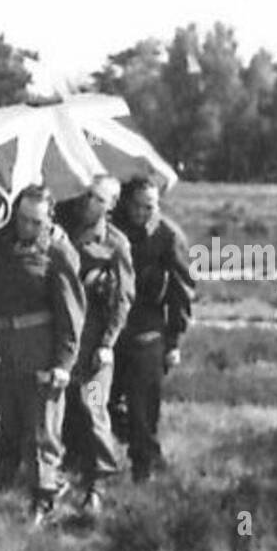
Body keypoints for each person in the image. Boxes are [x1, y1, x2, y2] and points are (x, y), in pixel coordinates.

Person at [0, 184, 85, 525]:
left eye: (35, 222)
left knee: (42, 427)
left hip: (40, 349)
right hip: (6, 349)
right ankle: (7, 479)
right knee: (10, 421)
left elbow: (72, 312)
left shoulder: (58, 251)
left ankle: (43, 497)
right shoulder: (0, 245)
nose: (27, 227)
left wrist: (63, 363)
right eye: (22, 219)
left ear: (48, 219)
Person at [109, 176, 195, 481]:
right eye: (138, 205)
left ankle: (143, 468)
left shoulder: (169, 236)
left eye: (151, 206)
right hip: (111, 329)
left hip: (148, 329)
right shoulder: (111, 230)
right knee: (101, 400)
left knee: (143, 404)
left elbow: (182, 291)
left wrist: (173, 341)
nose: (144, 212)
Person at [62, 176, 134, 515]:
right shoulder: (63, 234)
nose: (89, 202)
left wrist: (108, 343)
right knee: (58, 409)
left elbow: (123, 299)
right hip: (63, 337)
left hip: (93, 343)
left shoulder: (116, 244)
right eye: (88, 195)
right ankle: (61, 475)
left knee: (93, 407)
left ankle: (100, 479)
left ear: (111, 205)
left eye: (98, 198)